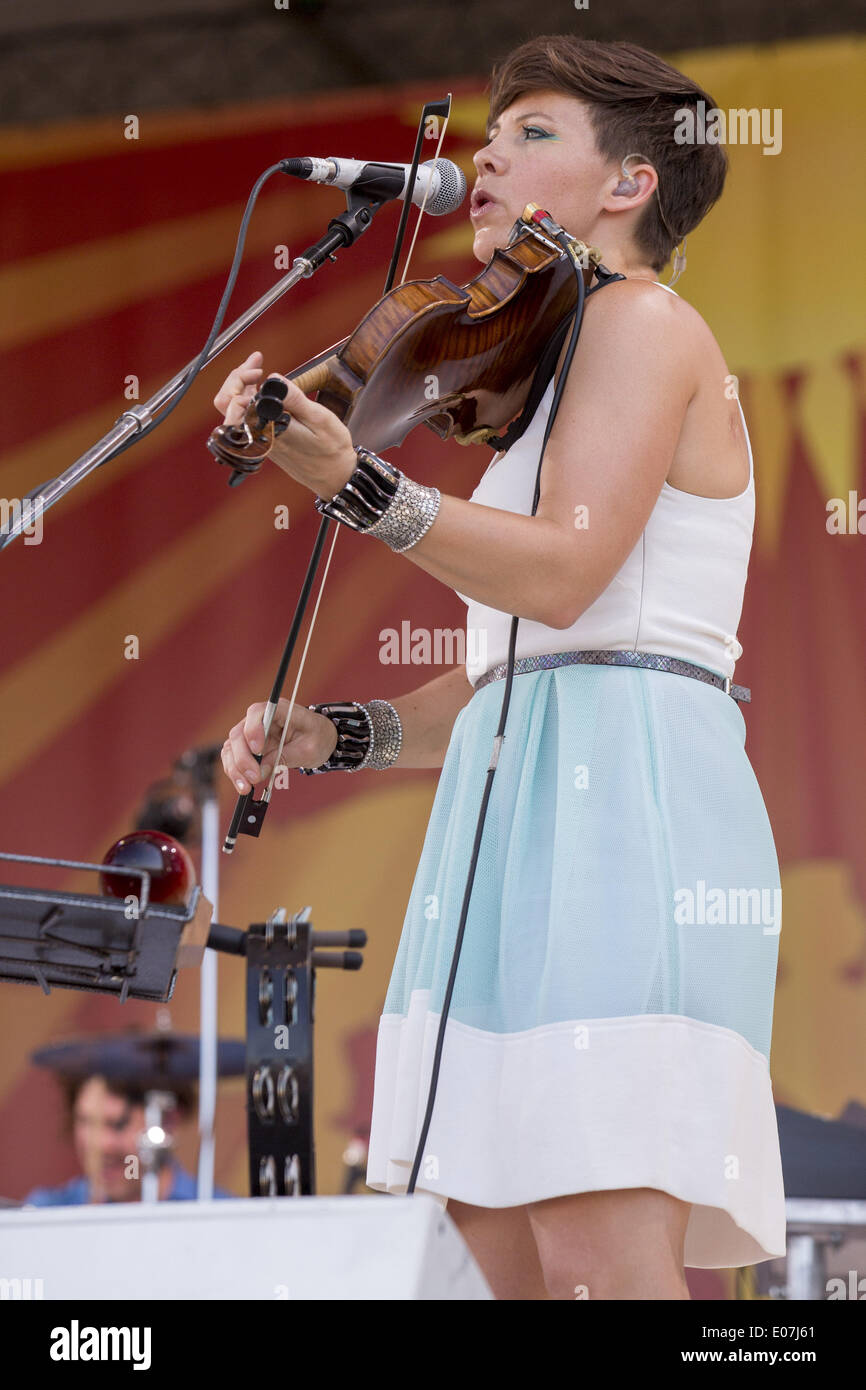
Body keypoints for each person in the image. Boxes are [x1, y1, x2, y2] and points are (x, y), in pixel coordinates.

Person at [217, 34, 785, 1300]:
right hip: (512, 805)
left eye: (530, 133)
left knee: (594, 1255)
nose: (485, 154)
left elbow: (561, 582)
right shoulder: (533, 376)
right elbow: (514, 674)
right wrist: (334, 735)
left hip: (625, 822)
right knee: (498, 1247)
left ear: (630, 184)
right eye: (491, 131)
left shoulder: (641, 322)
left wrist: (357, 483)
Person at [22, 1073, 235, 1206]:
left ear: (168, 1122)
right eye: (86, 1122)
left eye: (117, 1124)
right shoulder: (45, 1212)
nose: (101, 1145)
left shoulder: (221, 1214)